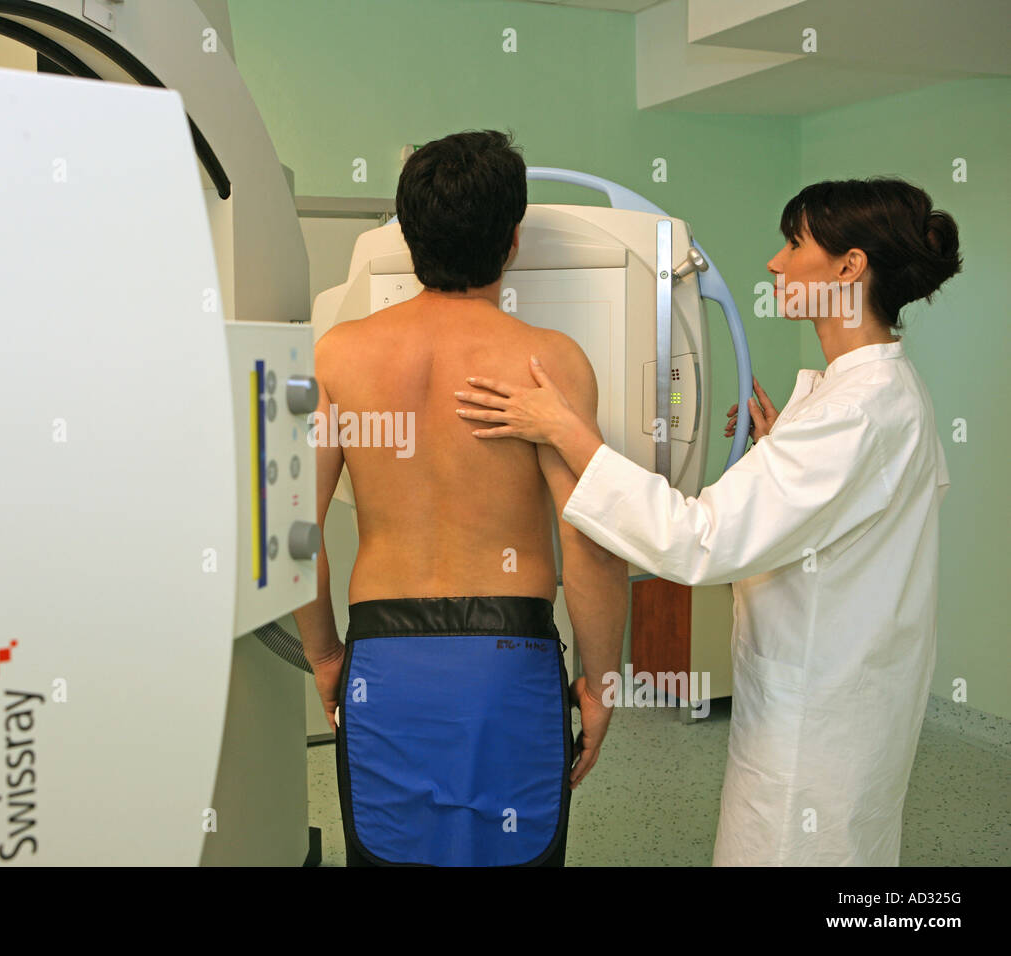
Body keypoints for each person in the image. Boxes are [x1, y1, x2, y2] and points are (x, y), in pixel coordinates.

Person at [455, 177, 960, 865]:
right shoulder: (870, 393)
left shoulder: (856, 411)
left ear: (849, 267)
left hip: (821, 718)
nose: (775, 264)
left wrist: (566, 431)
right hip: (835, 692)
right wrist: (781, 449)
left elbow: (697, 540)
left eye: (794, 244)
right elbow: (842, 506)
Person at [291, 130, 627, 867]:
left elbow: (289, 533)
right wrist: (600, 685)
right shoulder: (550, 359)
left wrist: (322, 655)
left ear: (407, 237)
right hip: (509, 655)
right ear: (510, 242)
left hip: (385, 655)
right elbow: (590, 542)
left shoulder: (336, 356)